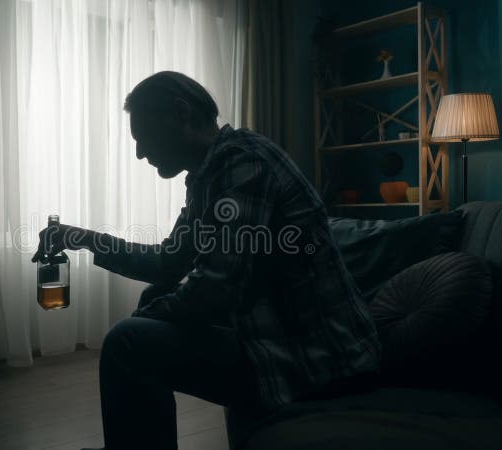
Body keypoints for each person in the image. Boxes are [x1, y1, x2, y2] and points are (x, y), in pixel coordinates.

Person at [31, 71, 380, 450]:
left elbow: (215, 288)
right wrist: (81, 238)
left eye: (143, 137)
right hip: (279, 341)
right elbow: (167, 262)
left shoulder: (244, 164)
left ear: (180, 113)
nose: (140, 153)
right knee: (150, 304)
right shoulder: (208, 176)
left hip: (316, 358)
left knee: (128, 342)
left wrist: (146, 316)